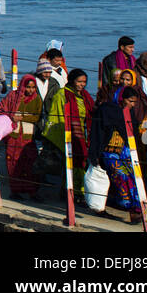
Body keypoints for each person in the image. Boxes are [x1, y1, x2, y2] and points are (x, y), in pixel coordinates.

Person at [88, 86, 146, 223]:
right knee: (122, 177)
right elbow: (97, 132)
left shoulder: (129, 113)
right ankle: (129, 207)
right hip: (109, 152)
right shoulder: (106, 110)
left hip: (125, 151)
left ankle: (136, 210)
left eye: (134, 102)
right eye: (130, 101)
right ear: (121, 98)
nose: (132, 105)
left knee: (134, 178)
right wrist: (95, 153)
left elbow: (133, 134)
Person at [42, 69, 95, 201]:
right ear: (72, 81)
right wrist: (65, 136)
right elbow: (57, 116)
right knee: (71, 164)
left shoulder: (85, 96)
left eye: (84, 82)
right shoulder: (62, 95)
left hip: (82, 134)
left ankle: (78, 191)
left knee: (81, 163)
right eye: (79, 81)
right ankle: (71, 192)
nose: (82, 85)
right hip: (68, 134)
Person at [0, 74, 44, 200]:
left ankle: (32, 192)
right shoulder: (13, 96)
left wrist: (22, 117)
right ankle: (15, 191)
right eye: (28, 87)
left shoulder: (37, 100)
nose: (30, 90)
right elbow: (0, 108)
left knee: (30, 163)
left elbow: (37, 117)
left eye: (33, 87)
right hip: (13, 135)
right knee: (13, 163)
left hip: (28, 137)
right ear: (23, 86)